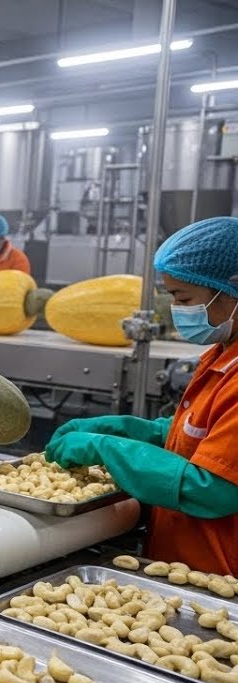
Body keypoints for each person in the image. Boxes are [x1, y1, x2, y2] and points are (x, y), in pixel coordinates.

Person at [45, 216, 238, 575]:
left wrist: (107, 448)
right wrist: (131, 430)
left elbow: (213, 489)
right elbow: (201, 434)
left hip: (221, 578)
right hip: (180, 568)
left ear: (232, 290)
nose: (178, 311)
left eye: (183, 298)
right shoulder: (222, 352)